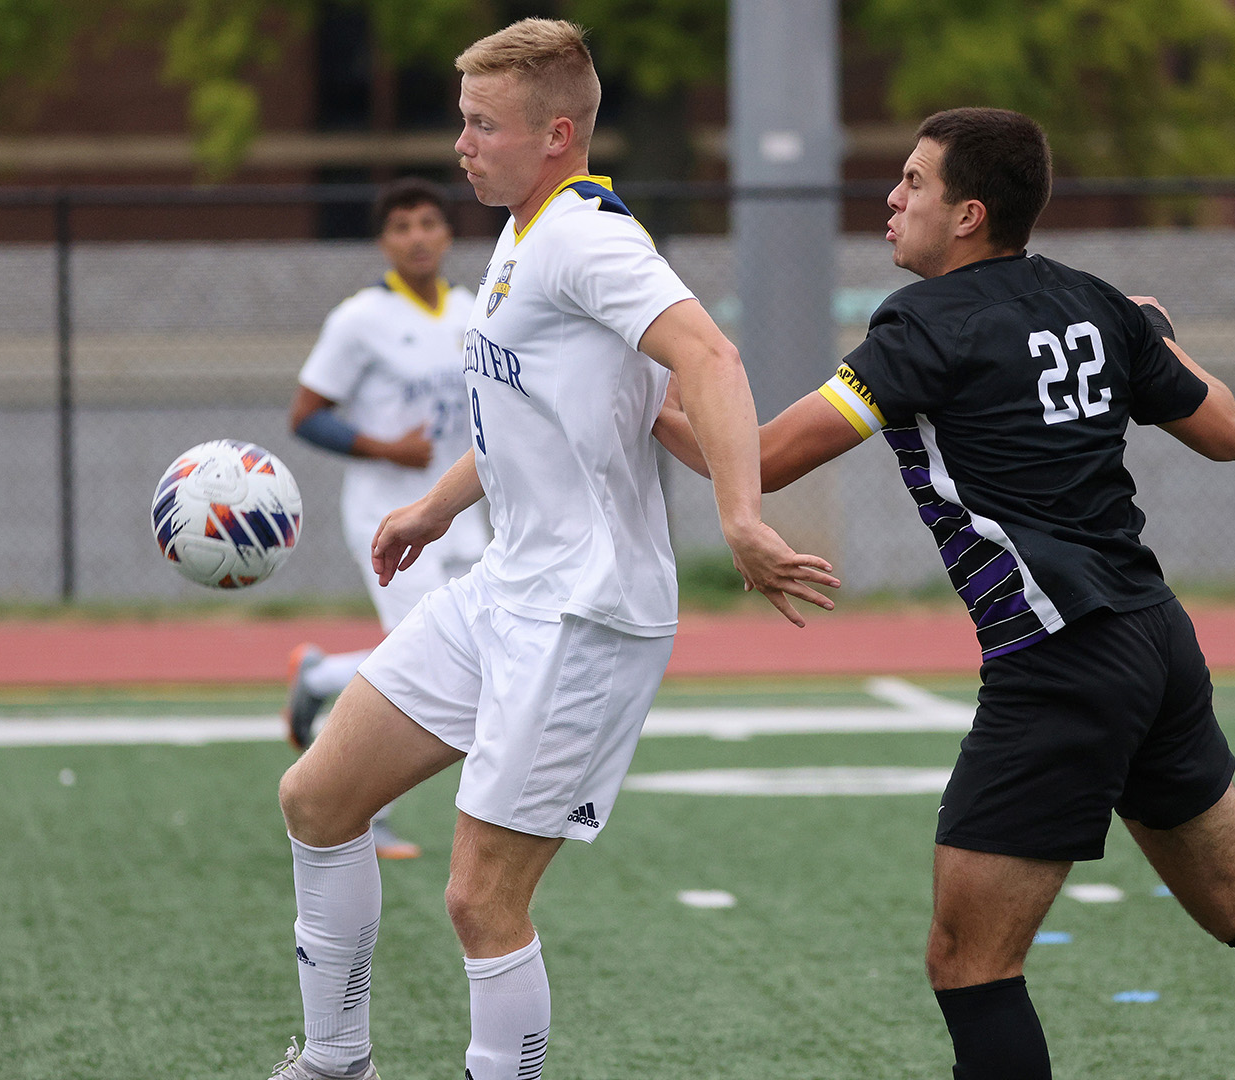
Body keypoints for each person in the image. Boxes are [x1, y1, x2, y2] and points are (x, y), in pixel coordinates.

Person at [654, 108, 1235, 1080]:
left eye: (913, 181)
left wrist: (649, 406)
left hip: (1059, 656)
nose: (892, 197)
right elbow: (1228, 430)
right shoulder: (1091, 299)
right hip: (1156, 642)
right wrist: (1154, 330)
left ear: (969, 215)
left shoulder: (923, 323)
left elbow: (766, 460)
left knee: (970, 962)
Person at [264, 19, 835, 1080]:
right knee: (318, 797)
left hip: (585, 615)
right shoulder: (524, 232)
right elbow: (551, 410)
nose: (462, 146)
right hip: (503, 590)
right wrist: (439, 503)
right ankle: (336, 1061)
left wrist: (743, 517)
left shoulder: (586, 237)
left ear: (558, 133)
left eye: (484, 125)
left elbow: (707, 354)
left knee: (483, 899)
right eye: (463, 121)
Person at [283, 176, 488, 860]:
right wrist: (385, 448)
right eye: (401, 227)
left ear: (448, 234)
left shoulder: (474, 308)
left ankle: (317, 678)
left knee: (475, 653)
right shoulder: (358, 319)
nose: (417, 237)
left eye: (429, 222)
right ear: (383, 241)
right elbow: (306, 417)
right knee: (419, 660)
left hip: (463, 511)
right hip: (387, 515)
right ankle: (369, 814)